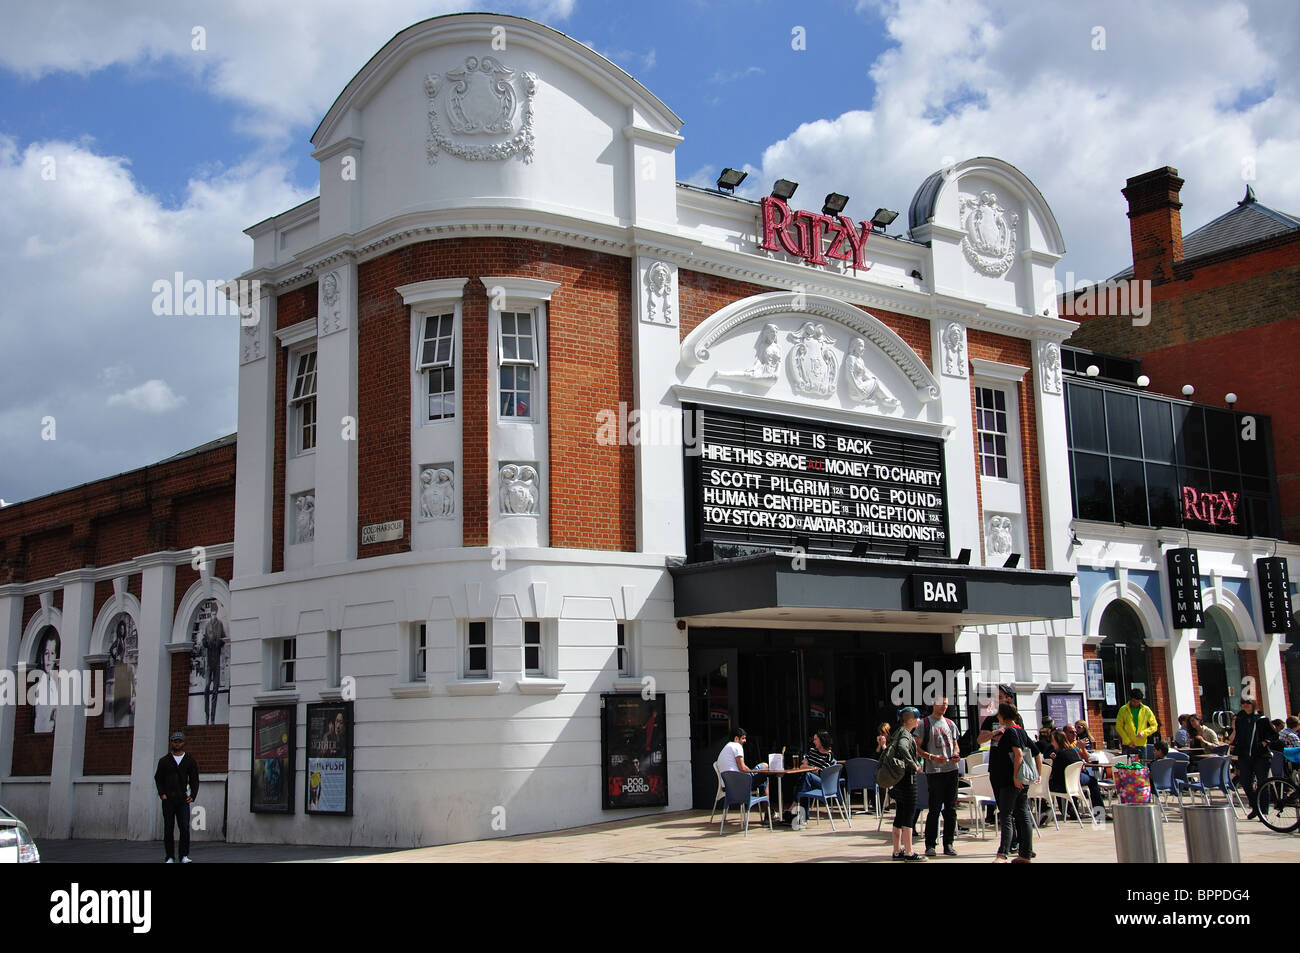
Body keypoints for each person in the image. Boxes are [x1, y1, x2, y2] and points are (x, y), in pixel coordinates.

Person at [989, 703, 1038, 863]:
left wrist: (1016, 777)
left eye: (998, 715)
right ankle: (1025, 854)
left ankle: (1002, 854)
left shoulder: (1010, 731)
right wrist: (1038, 774)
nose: (997, 717)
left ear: (1003, 716)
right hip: (1021, 781)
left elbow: (1018, 754)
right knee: (1023, 815)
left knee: (1006, 816)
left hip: (1010, 780)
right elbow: (1036, 753)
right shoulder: (1021, 731)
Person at [915, 697, 961, 857]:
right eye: (942, 704)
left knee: (951, 809)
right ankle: (930, 844)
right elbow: (917, 747)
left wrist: (956, 753)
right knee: (934, 808)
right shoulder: (924, 723)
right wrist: (931, 757)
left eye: (946, 704)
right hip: (934, 771)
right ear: (934, 704)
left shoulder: (950, 723)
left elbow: (955, 742)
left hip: (951, 769)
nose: (944, 707)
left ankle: (948, 843)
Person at [154, 731, 200, 863]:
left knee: (184, 827)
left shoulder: (189, 760)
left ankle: (184, 855)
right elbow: (158, 779)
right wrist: (162, 793)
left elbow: (194, 779)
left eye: (179, 741)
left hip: (182, 799)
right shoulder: (164, 761)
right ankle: (169, 856)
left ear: (183, 743)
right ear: (171, 743)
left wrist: (193, 795)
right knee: (168, 828)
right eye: (175, 741)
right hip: (168, 799)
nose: (177, 744)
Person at [887, 708, 926, 861]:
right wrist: (914, 764)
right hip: (907, 779)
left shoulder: (897, 732)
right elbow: (903, 748)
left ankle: (897, 850)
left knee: (900, 813)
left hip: (899, 780)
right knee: (909, 814)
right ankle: (909, 851)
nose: (919, 721)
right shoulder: (905, 734)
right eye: (917, 718)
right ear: (910, 720)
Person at [1231, 699, 1276, 820]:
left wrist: (1265, 742)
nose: (1245, 705)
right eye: (1243, 703)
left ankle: (1264, 811)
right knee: (1245, 782)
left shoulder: (1262, 719)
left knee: (1263, 783)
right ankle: (1256, 807)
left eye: (1248, 703)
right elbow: (1238, 736)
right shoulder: (1240, 719)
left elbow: (1274, 734)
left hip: (1260, 756)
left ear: (1254, 704)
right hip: (1244, 755)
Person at [1048, 730, 1103, 817]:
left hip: (1063, 784)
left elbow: (1055, 773)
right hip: (1076, 781)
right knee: (1093, 781)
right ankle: (1099, 812)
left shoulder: (1059, 754)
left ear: (1056, 741)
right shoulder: (1073, 752)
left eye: (1052, 740)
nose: (1051, 743)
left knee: (1052, 782)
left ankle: (1067, 810)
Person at [787, 730, 834, 825]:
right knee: (805, 783)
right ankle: (803, 818)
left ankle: (794, 806)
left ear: (822, 740)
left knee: (806, 777)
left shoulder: (829, 755)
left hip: (823, 783)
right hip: (809, 780)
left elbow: (821, 773)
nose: (814, 741)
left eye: (816, 739)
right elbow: (801, 766)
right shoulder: (812, 751)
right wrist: (813, 768)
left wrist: (809, 768)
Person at [1116, 689, 1158, 757]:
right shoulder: (1123, 710)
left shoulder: (1146, 710)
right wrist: (1127, 741)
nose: (1135, 703)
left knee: (1141, 766)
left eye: (1138, 702)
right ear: (1130, 699)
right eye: (1134, 701)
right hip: (1127, 745)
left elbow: (1154, 725)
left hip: (1141, 744)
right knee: (1127, 767)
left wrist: (1144, 733)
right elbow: (1119, 726)